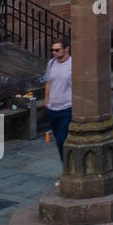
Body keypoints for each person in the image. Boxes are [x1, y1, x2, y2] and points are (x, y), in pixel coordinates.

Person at [42, 39, 72, 178]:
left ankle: (68, 170)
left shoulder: (72, 64)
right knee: (58, 141)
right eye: (52, 50)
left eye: (57, 50)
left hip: (67, 107)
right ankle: (66, 167)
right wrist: (47, 101)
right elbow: (48, 82)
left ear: (66, 49)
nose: (54, 53)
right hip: (52, 108)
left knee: (62, 140)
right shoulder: (51, 63)